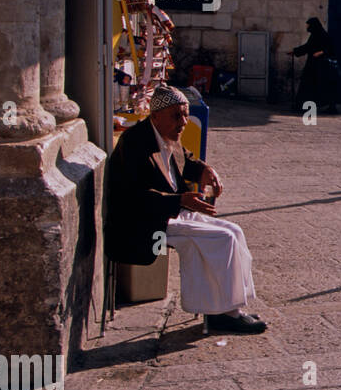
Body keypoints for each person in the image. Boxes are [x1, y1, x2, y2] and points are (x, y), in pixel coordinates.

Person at [105, 85, 265, 334]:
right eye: (176, 116)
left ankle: (230, 307)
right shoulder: (135, 143)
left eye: (185, 115)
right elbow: (133, 197)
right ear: (155, 116)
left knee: (234, 231)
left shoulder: (166, 135)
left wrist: (204, 169)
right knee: (221, 239)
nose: (183, 122)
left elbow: (185, 160)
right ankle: (224, 314)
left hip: (170, 212)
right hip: (145, 222)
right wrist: (179, 200)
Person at [293, 17, 337, 113]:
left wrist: (321, 52)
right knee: (309, 85)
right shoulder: (315, 35)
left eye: (308, 25)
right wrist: (295, 51)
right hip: (313, 64)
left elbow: (330, 49)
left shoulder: (322, 35)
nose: (307, 27)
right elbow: (308, 47)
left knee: (319, 85)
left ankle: (329, 106)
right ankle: (304, 105)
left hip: (320, 65)